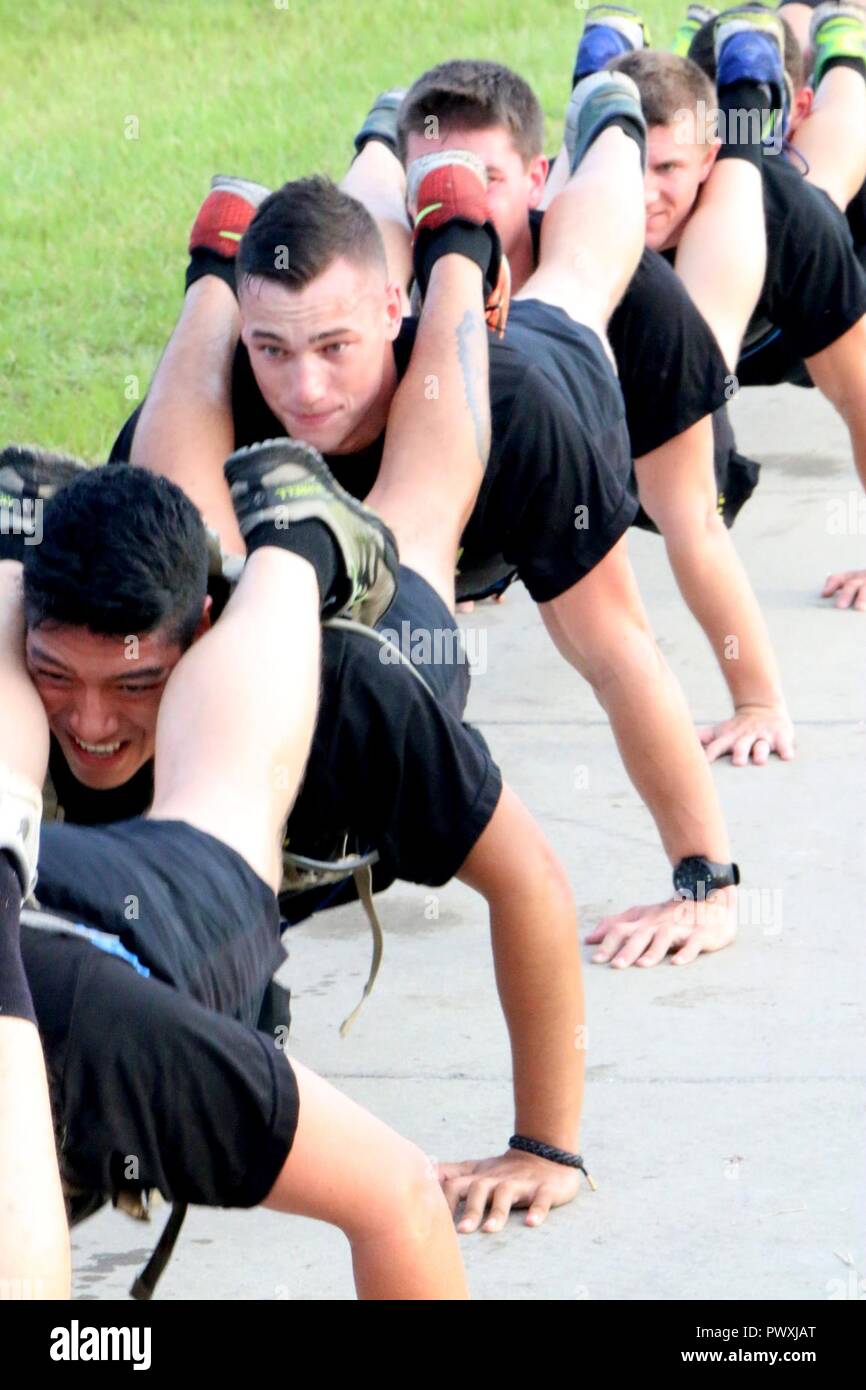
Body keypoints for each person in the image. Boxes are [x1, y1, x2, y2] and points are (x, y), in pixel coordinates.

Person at [111, 77, 743, 970]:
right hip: (343, 563)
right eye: (272, 350)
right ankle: (376, 151)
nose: (305, 391)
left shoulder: (515, 405)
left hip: (540, 364)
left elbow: (616, 647)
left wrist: (705, 878)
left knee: (577, 278)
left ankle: (603, 125)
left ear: (392, 310)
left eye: (335, 349)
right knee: (318, 265)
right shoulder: (195, 409)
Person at [391, 54, 793, 768]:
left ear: (539, 179)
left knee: (683, 512)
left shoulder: (626, 292)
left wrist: (758, 702)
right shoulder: (389, 277)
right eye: (432, 179)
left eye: (486, 179)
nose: (461, 202)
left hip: (610, 404)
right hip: (488, 456)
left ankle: (616, 119)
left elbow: (693, 524)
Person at [615, 23, 866, 610]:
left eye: (668, 171)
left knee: (824, 176)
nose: (645, 194)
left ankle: (843, 40)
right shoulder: (572, 202)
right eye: (634, 168)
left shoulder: (790, 220)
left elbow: (861, 400)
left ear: (706, 161)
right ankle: (723, 54)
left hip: (784, 277)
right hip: (721, 319)